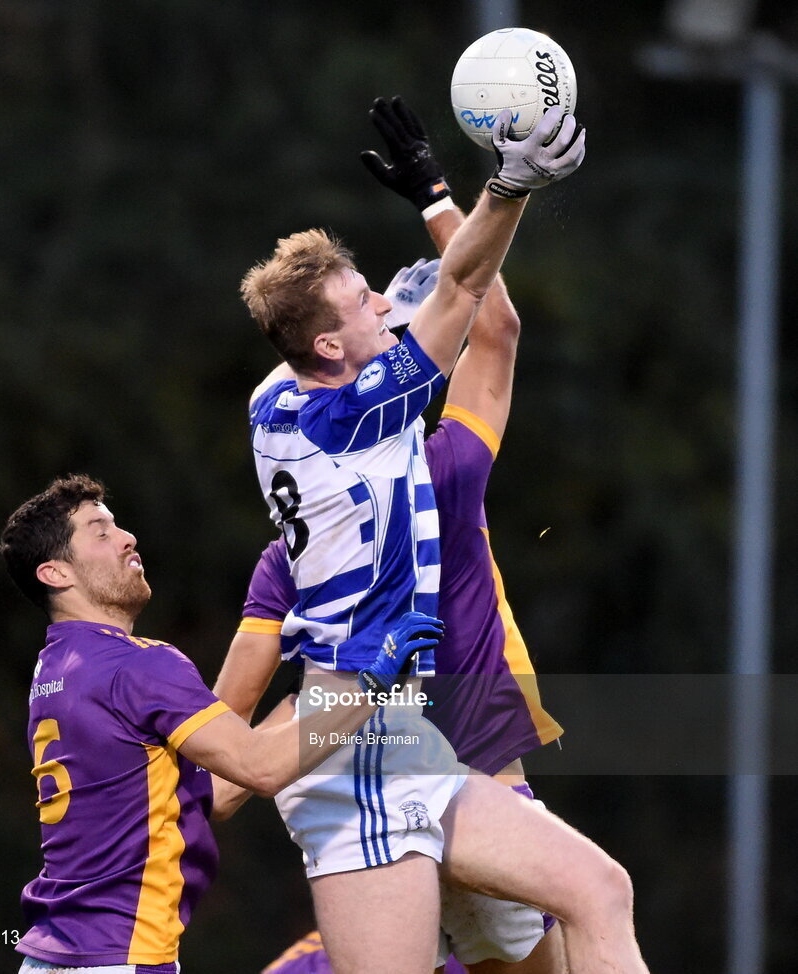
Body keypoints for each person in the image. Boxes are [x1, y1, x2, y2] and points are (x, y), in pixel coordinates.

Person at [239, 107, 650, 974]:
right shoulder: (361, 421)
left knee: (598, 889)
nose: (385, 304)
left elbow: (433, 309)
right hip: (353, 740)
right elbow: (465, 299)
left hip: (411, 737)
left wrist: (384, 296)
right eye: (365, 303)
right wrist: (506, 187)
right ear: (327, 345)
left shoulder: (276, 404)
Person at [0, 474, 443, 972]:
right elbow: (262, 769)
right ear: (56, 574)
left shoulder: (57, 669)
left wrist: (311, 698)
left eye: (118, 525)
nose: (127, 538)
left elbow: (218, 791)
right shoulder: (137, 665)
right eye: (101, 533)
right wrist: (372, 684)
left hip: (53, 956)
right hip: (120, 956)